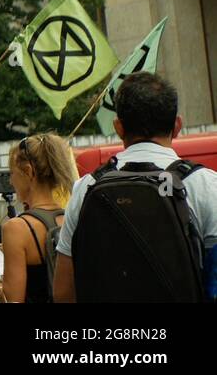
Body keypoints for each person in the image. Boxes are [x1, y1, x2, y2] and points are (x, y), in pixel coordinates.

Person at [55, 73, 217, 303]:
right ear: (177, 125)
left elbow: (63, 293)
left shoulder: (86, 187)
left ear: (119, 127)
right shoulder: (206, 186)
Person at [0, 133, 77, 303]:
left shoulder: (17, 228)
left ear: (28, 172)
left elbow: (12, 299)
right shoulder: (69, 218)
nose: (10, 181)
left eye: (11, 173)